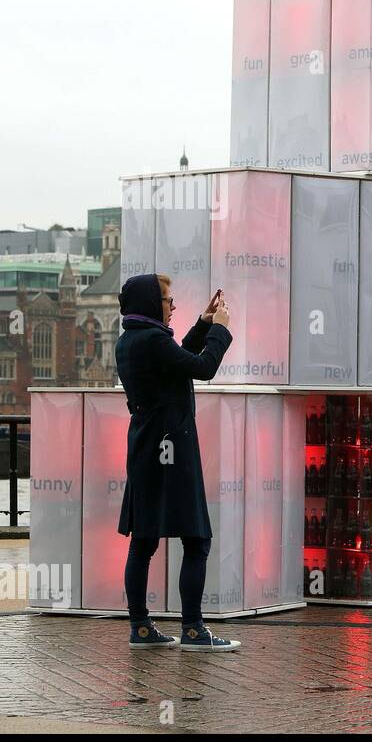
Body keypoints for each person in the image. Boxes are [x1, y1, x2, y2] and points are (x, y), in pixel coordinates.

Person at [116, 274, 239, 651]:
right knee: (197, 538)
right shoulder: (154, 340)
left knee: (143, 541)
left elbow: (178, 359)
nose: (172, 306)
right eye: (168, 300)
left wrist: (202, 323)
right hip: (174, 448)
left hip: (144, 447)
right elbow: (202, 368)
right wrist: (220, 331)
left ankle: (140, 626)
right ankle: (193, 629)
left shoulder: (131, 340)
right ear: (153, 304)